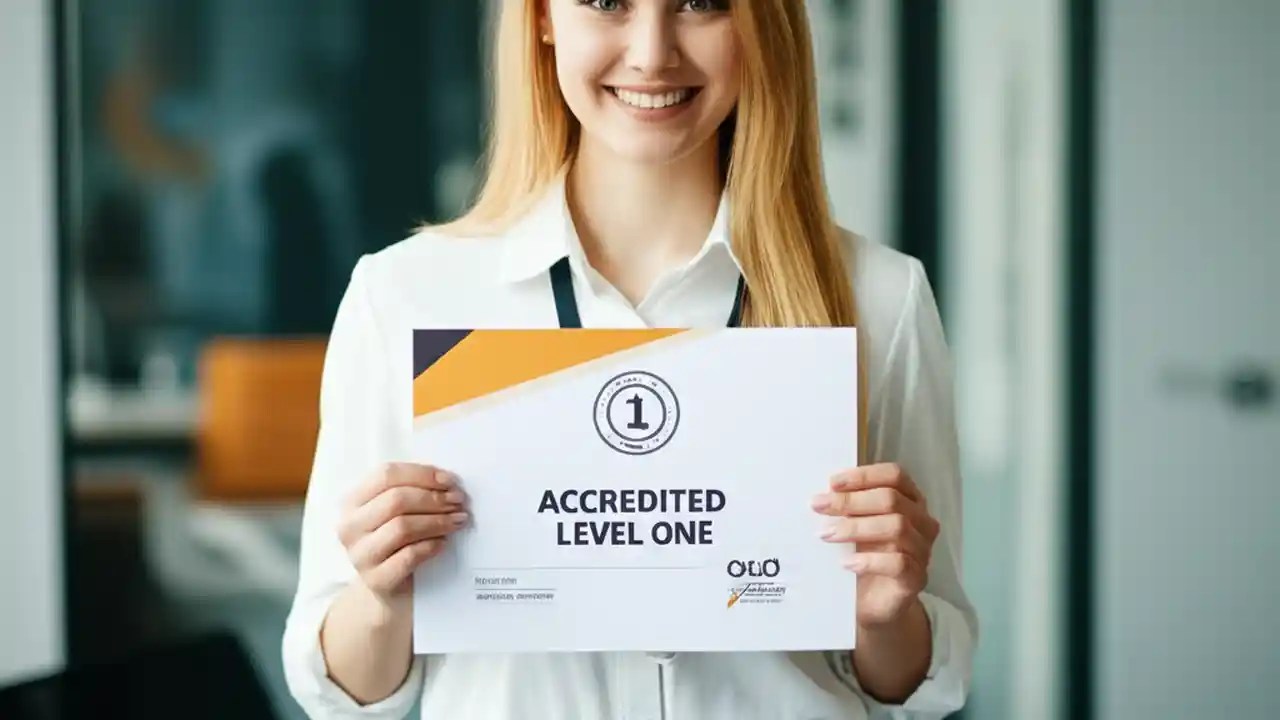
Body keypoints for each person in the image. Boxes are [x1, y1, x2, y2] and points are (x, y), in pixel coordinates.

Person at [282, 1, 977, 718]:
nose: (652, 53)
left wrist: (883, 613)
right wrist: (381, 599)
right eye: (608, 2)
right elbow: (339, 693)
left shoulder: (881, 299)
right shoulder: (406, 295)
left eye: (702, 3)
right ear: (544, 18)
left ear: (761, 23)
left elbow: (927, 686)